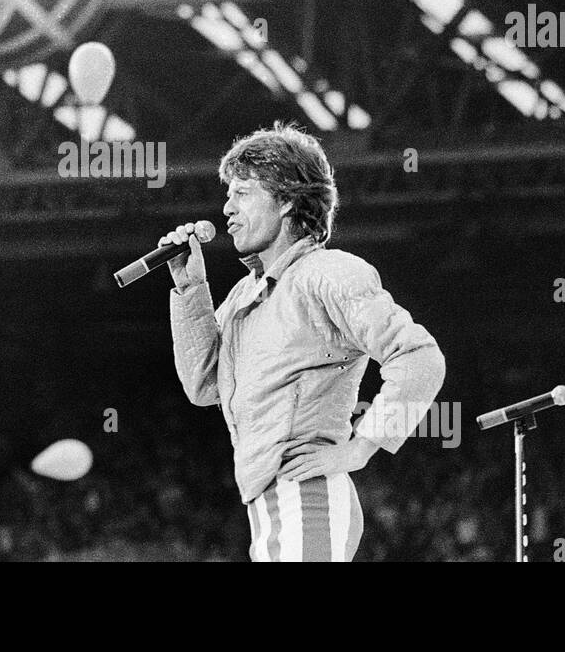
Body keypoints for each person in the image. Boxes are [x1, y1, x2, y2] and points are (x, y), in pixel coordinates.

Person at [161, 122, 446, 562]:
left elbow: (420, 357)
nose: (227, 208)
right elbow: (203, 387)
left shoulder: (327, 273)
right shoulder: (244, 295)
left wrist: (361, 447)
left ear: (288, 200)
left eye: (243, 193)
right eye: (228, 194)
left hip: (307, 499)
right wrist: (190, 289)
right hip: (269, 509)